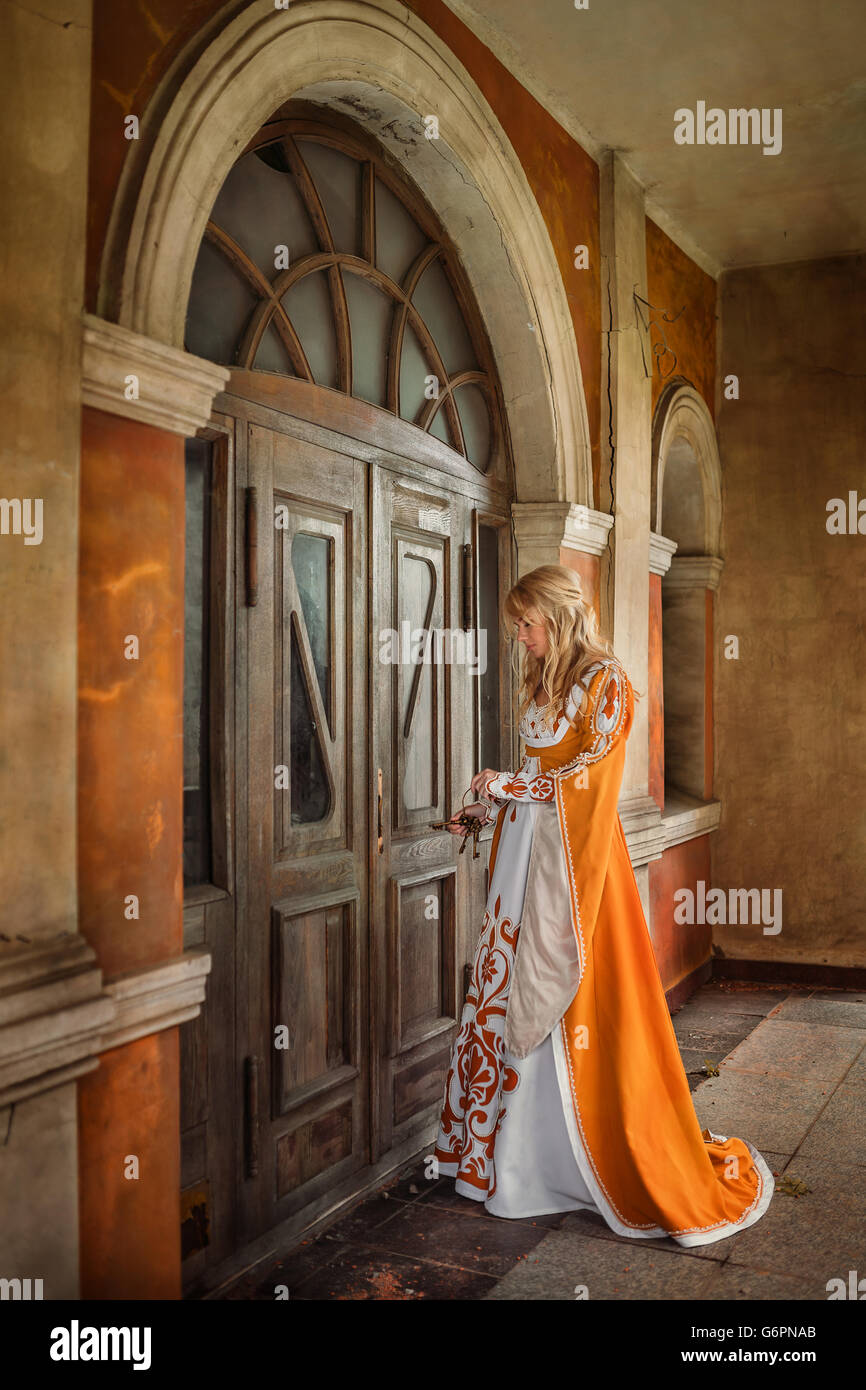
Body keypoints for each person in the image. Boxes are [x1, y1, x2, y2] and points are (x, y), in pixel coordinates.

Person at [432, 564, 774, 1247]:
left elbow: (587, 778)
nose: (521, 638)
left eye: (528, 625)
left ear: (558, 618)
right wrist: (485, 804)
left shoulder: (607, 682)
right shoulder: (542, 676)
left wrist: (510, 785)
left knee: (567, 988)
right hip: (523, 856)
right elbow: (536, 773)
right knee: (501, 982)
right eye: (517, 627)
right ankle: (495, 1160)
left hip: (576, 864)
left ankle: (558, 1160)